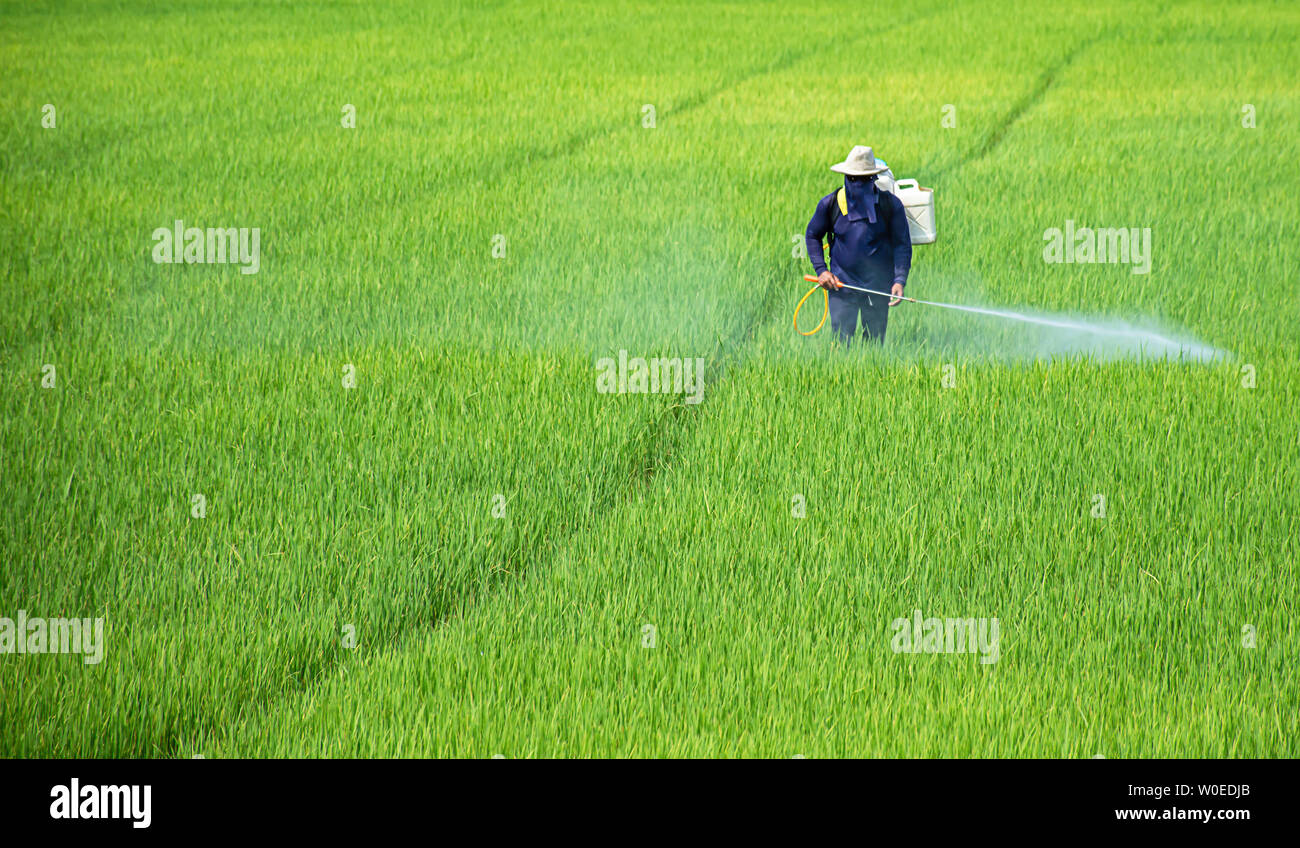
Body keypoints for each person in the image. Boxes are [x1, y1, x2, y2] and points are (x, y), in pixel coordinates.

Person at [805, 145, 912, 344]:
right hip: (841, 286)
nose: (856, 184)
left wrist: (899, 280)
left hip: (877, 287)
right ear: (845, 176)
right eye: (852, 178)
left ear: (873, 178)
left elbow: (902, 245)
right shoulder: (831, 205)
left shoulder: (890, 206)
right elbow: (812, 235)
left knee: (874, 345)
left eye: (863, 179)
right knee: (840, 344)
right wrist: (822, 271)